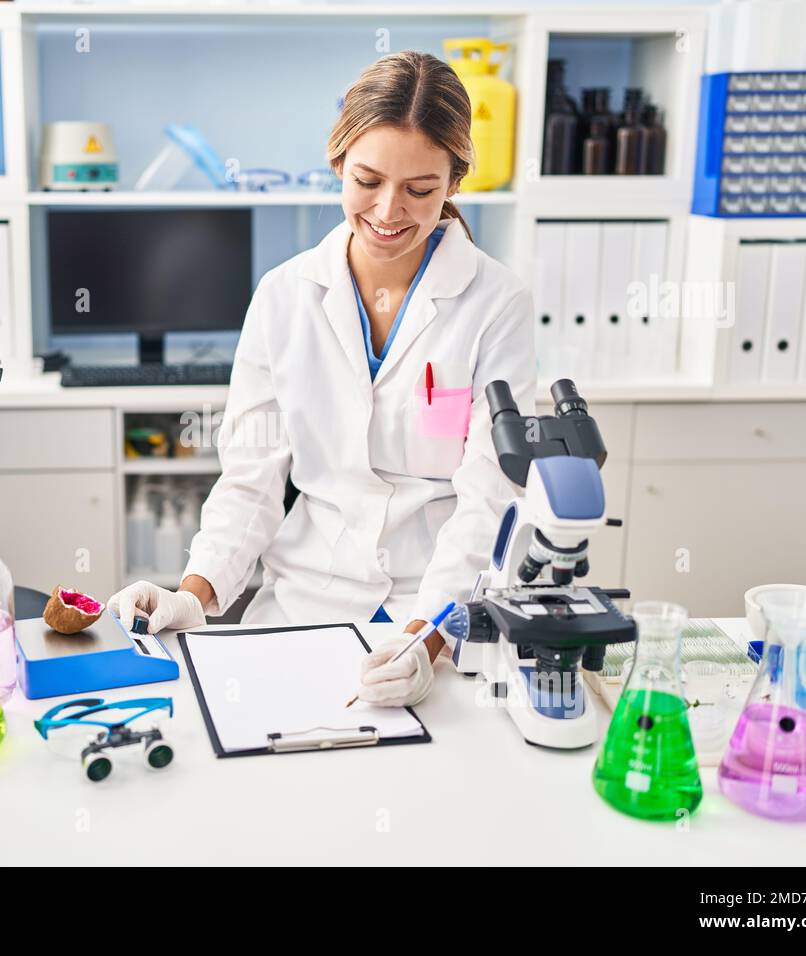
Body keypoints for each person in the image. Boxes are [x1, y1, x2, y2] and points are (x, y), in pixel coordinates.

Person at [108, 51, 536, 707]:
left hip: (434, 612)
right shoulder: (283, 296)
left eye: (421, 189)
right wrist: (192, 595)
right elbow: (251, 479)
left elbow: (490, 498)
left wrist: (429, 638)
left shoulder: (496, 304)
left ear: (454, 181)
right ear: (337, 162)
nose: (390, 210)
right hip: (301, 603)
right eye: (367, 179)